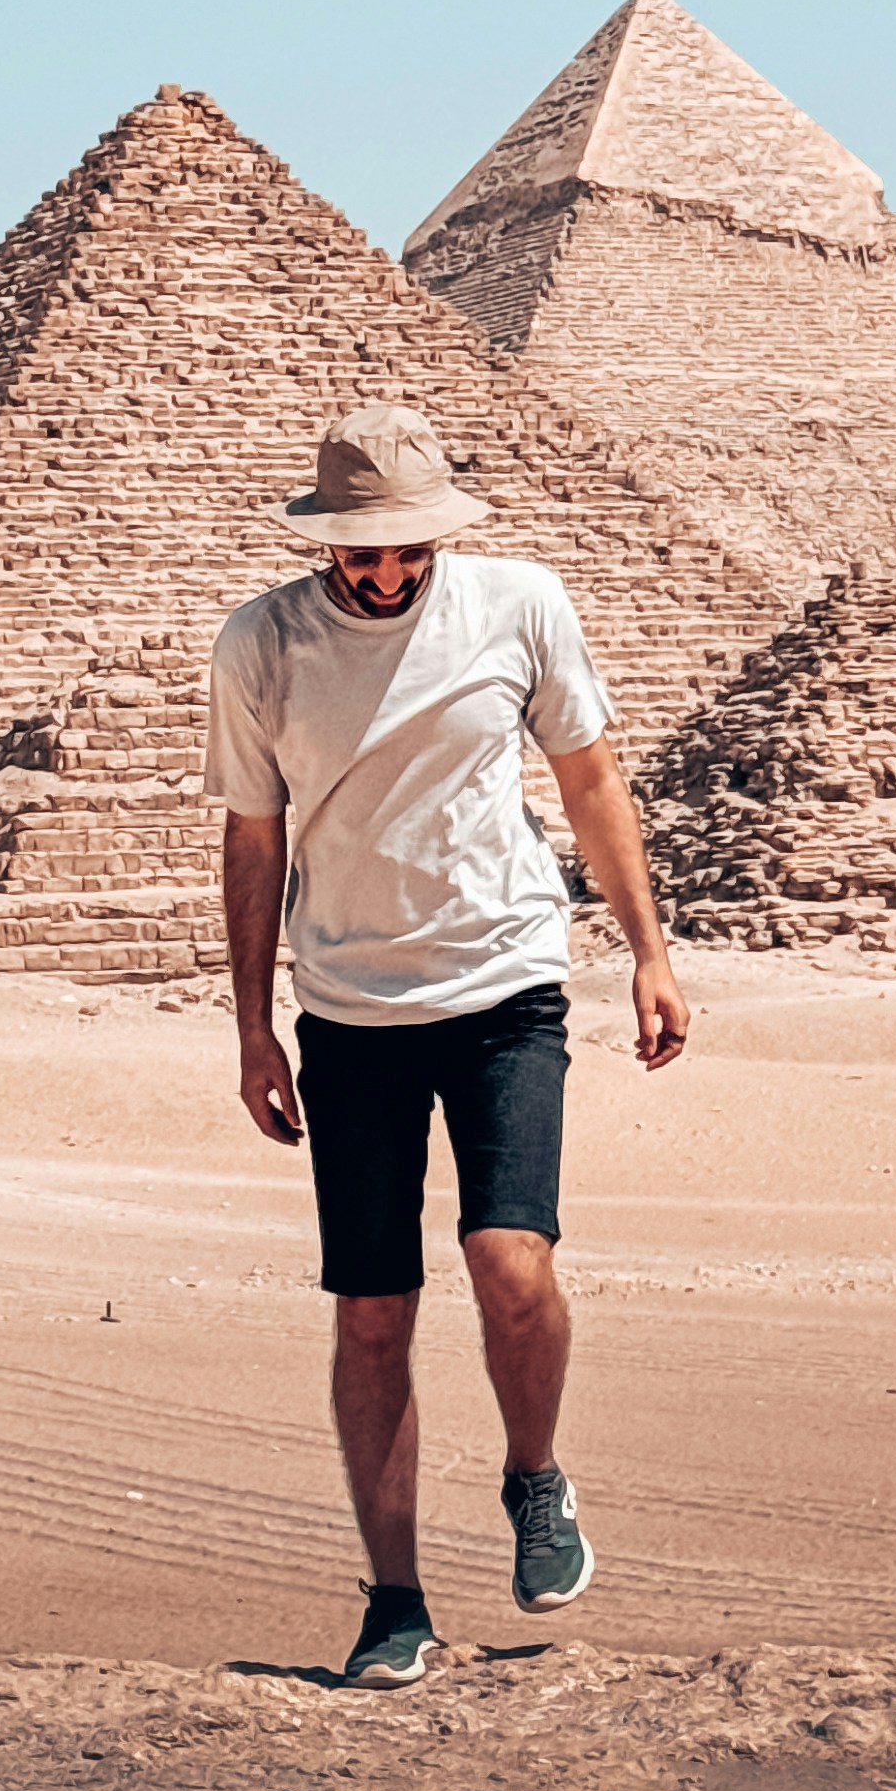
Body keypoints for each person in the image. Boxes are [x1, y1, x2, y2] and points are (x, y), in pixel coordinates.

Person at [205, 399, 691, 1687]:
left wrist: (648, 951)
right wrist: (252, 1026)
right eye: (362, 550)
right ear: (325, 541)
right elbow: (253, 839)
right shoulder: (260, 646)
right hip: (351, 1008)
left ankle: (536, 1476)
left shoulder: (521, 605)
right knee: (372, 1313)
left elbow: (591, 778)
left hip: (507, 985)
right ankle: (394, 1601)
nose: (386, 570)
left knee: (507, 1258)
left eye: (407, 547)